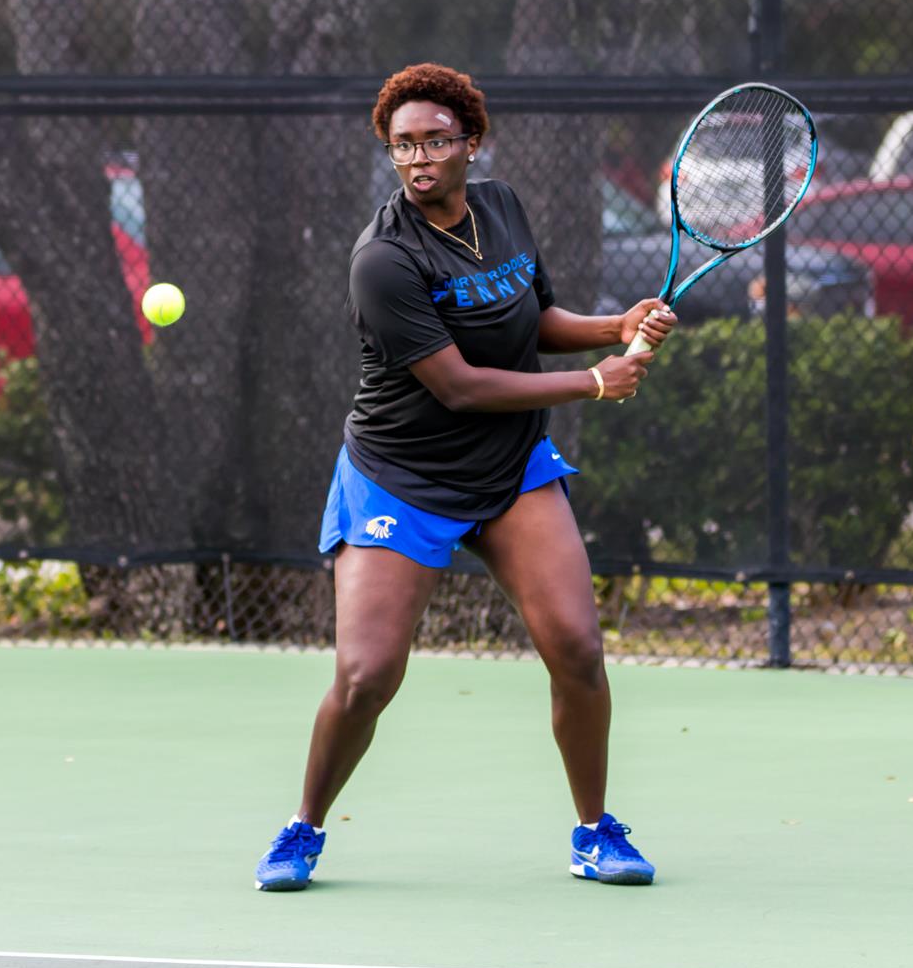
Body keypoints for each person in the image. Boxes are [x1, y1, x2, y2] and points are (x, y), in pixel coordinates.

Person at [255, 63, 675, 891]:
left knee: (579, 650)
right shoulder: (382, 260)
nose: (418, 159)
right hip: (400, 478)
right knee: (367, 674)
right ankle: (303, 827)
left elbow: (532, 321)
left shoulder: (503, 208)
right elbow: (461, 385)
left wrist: (611, 326)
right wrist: (594, 381)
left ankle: (595, 832)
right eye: (402, 145)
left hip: (511, 469)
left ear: (470, 144)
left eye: (435, 141)